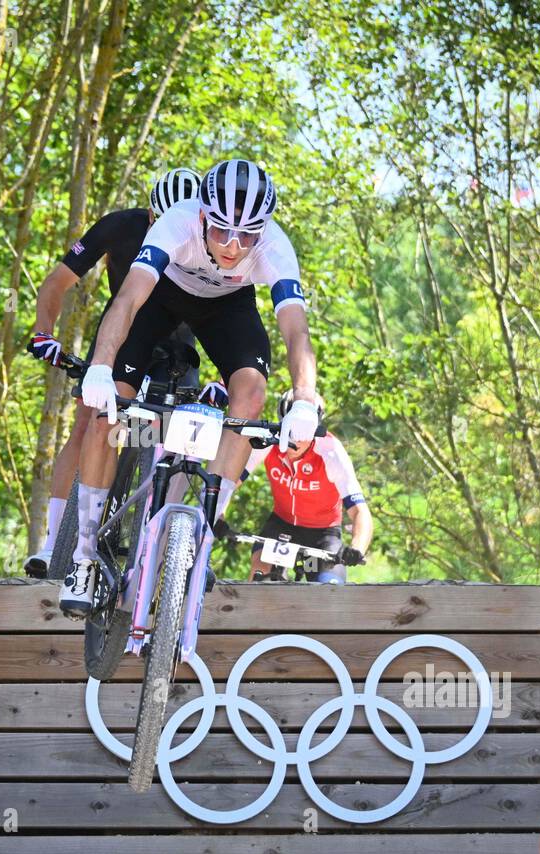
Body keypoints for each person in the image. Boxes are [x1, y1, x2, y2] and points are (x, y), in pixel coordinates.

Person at [60, 158, 320, 616]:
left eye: (247, 236)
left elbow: (296, 332)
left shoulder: (275, 246)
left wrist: (304, 399)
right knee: (109, 408)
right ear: (202, 215)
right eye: (221, 231)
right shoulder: (176, 224)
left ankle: (197, 537)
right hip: (159, 298)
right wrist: (100, 366)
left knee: (251, 395)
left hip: (227, 307)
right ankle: (83, 556)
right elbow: (128, 299)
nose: (233, 246)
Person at [24, 166, 214, 579]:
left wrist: (221, 376)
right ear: (149, 213)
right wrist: (43, 332)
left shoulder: (211, 241)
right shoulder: (119, 227)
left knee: (183, 440)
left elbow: (228, 317)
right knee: (87, 423)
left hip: (178, 344)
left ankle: (168, 547)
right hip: (122, 334)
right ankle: (55, 542)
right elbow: (57, 282)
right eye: (159, 223)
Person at [239, 391, 371, 582]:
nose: (296, 440)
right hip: (281, 526)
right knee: (261, 574)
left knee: (329, 589)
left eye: (304, 433)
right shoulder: (267, 441)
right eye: (289, 431)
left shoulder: (331, 452)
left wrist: (357, 547)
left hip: (322, 535)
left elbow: (360, 511)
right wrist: (219, 515)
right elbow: (229, 481)